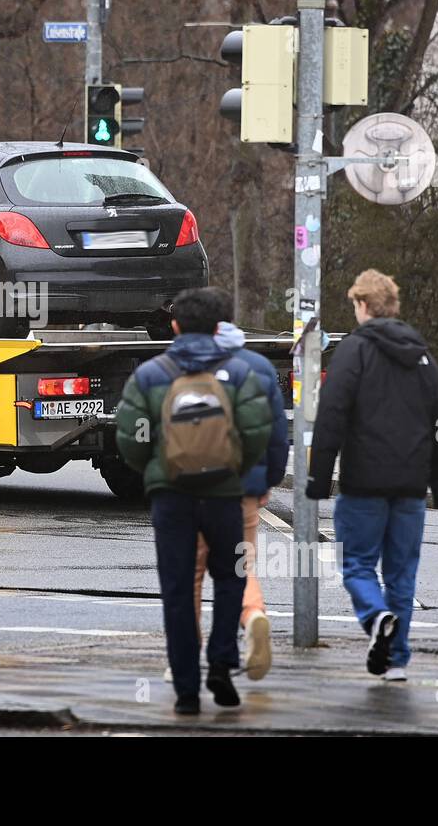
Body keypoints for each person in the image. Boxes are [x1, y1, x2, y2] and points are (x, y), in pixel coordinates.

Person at [116, 287, 273, 715]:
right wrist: (234, 465)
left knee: (179, 588)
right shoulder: (240, 372)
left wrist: (155, 470)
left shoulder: (152, 373)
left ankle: (186, 690)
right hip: (224, 493)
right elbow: (259, 430)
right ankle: (222, 661)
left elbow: (130, 439)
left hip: (172, 497)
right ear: (220, 326)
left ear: (175, 325)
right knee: (230, 578)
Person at [305, 269, 438, 681]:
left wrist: (318, 479)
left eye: (355, 304)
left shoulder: (354, 352)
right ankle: (396, 661)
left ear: (364, 306)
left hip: (363, 486)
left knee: (356, 565)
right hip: (410, 489)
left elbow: (331, 417)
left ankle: (376, 617)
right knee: (402, 574)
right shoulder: (422, 355)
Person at [189, 313, 288, 682]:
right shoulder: (257, 365)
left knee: (192, 573)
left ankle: (186, 656)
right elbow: (277, 431)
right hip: (244, 488)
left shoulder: (179, 364)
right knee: (238, 566)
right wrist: (269, 479)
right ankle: (254, 615)